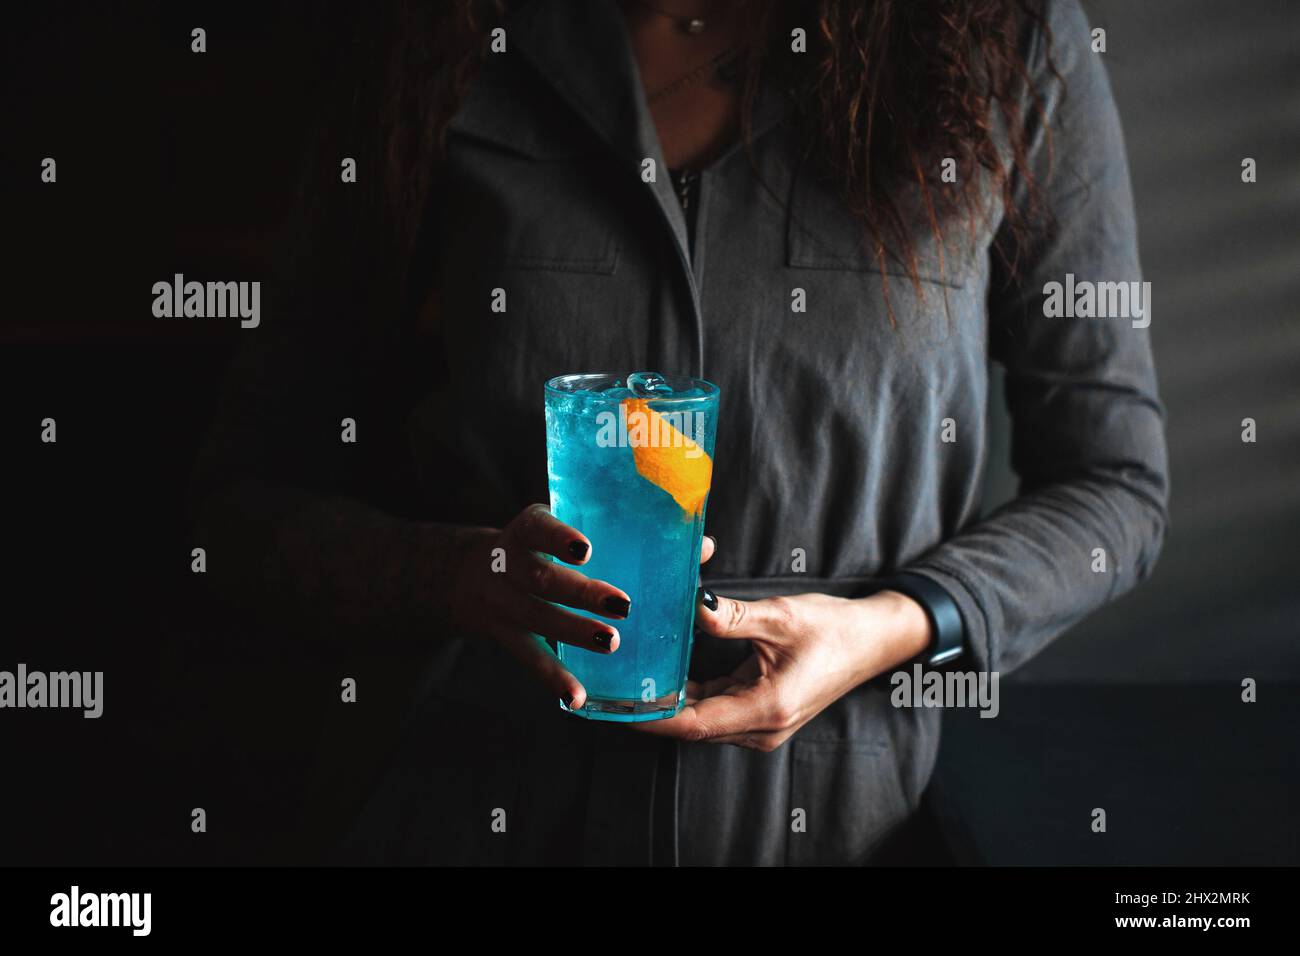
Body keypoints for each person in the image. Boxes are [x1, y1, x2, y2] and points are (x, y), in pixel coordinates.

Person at [192, 0, 1168, 865]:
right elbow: (238, 505)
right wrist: (459, 575)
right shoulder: (435, 39)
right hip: (467, 806)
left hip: (839, 822)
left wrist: (891, 624)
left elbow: (1114, 486)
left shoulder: (1010, 37)